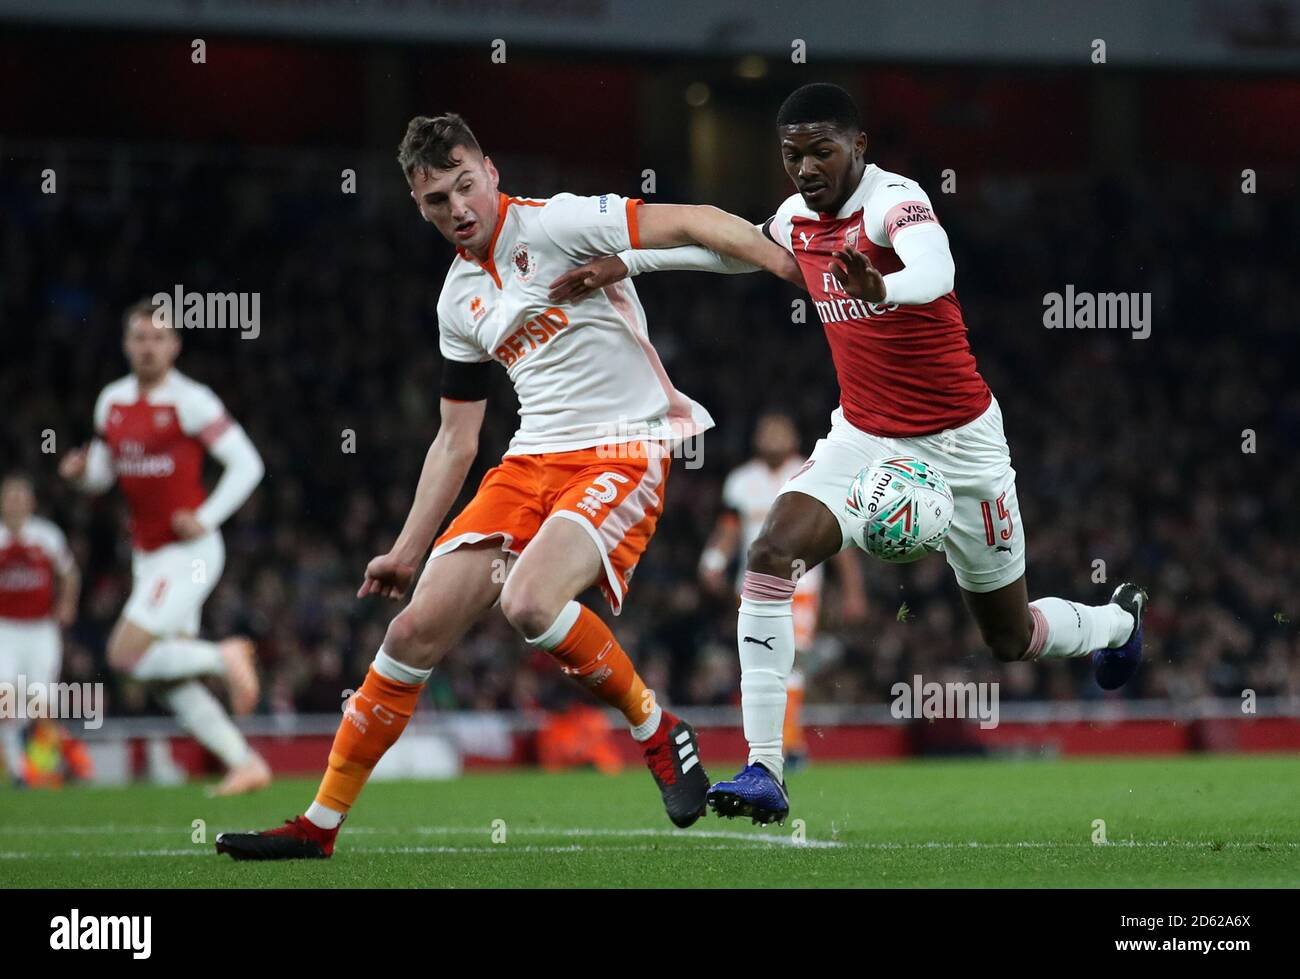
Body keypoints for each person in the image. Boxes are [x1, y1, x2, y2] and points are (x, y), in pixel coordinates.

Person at [548, 82, 1146, 824]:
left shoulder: (896, 203)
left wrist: (886, 286)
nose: (805, 166)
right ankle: (766, 765)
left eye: (821, 149)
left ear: (858, 147)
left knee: (1010, 636)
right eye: (792, 153)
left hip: (963, 448)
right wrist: (630, 266)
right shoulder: (800, 219)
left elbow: (937, 268)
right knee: (770, 550)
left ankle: (1117, 624)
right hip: (863, 435)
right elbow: (736, 252)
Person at [216, 111, 794, 859]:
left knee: (527, 600)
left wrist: (791, 269)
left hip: (620, 450)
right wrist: (403, 549)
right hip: (528, 463)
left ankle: (655, 726)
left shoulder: (559, 223)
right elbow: (456, 438)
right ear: (418, 206)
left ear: (489, 171)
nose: (457, 209)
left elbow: (698, 220)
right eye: (435, 201)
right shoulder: (457, 302)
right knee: (410, 632)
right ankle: (319, 825)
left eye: (464, 186)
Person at [60, 300, 268, 796]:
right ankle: (245, 763)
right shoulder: (110, 402)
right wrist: (81, 475)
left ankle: (225, 655)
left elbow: (248, 464)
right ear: (126, 344)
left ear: (175, 345)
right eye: (139, 338)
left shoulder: (191, 401)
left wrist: (206, 516)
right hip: (149, 557)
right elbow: (106, 473)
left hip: (189, 554)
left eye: (158, 339)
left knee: (125, 654)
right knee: (164, 677)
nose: (148, 348)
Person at [699, 412, 866, 766]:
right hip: (752, 584)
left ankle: (788, 745)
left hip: (801, 582)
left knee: (791, 661)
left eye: (780, 431)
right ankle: (773, 745)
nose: (773, 437)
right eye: (767, 431)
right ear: (756, 438)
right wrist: (713, 560)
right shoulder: (741, 481)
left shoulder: (812, 471)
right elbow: (728, 529)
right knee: (760, 662)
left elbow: (838, 536)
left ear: (793, 437)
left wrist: (853, 591)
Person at [0, 473, 79, 783]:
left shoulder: (47, 536)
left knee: (40, 702)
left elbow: (70, 573)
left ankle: (43, 767)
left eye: (21, 496)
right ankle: (19, 769)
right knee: (5, 696)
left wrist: (67, 604)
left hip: (41, 629)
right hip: (5, 628)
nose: (16, 502)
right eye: (10, 497)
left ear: (31, 502)